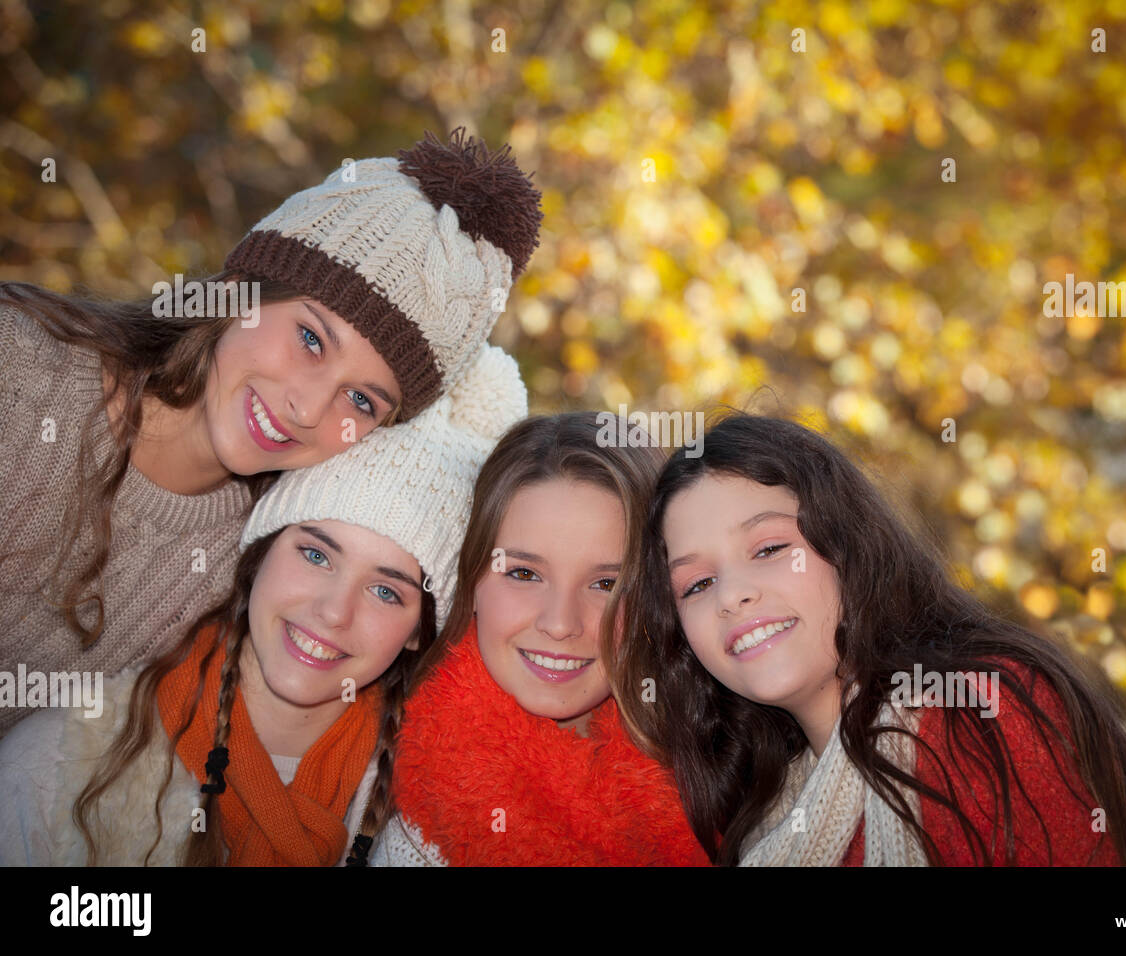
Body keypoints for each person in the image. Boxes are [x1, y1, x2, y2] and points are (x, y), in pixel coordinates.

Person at [0, 127, 543, 737]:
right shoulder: (20, 372)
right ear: (241, 289)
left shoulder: (260, 565)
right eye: (311, 339)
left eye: (362, 400)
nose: (308, 408)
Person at [0, 345, 527, 865]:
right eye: (316, 555)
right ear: (261, 554)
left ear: (419, 630)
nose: (333, 612)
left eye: (386, 591)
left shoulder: (431, 820)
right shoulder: (61, 763)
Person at [612, 412, 1126, 866]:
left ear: (848, 550)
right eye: (696, 583)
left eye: (770, 549)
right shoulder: (752, 809)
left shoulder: (975, 713)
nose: (731, 595)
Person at [369, 413, 710, 866]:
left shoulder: (732, 768)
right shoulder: (410, 831)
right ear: (470, 582)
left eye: (607, 584)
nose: (559, 623)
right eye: (524, 573)